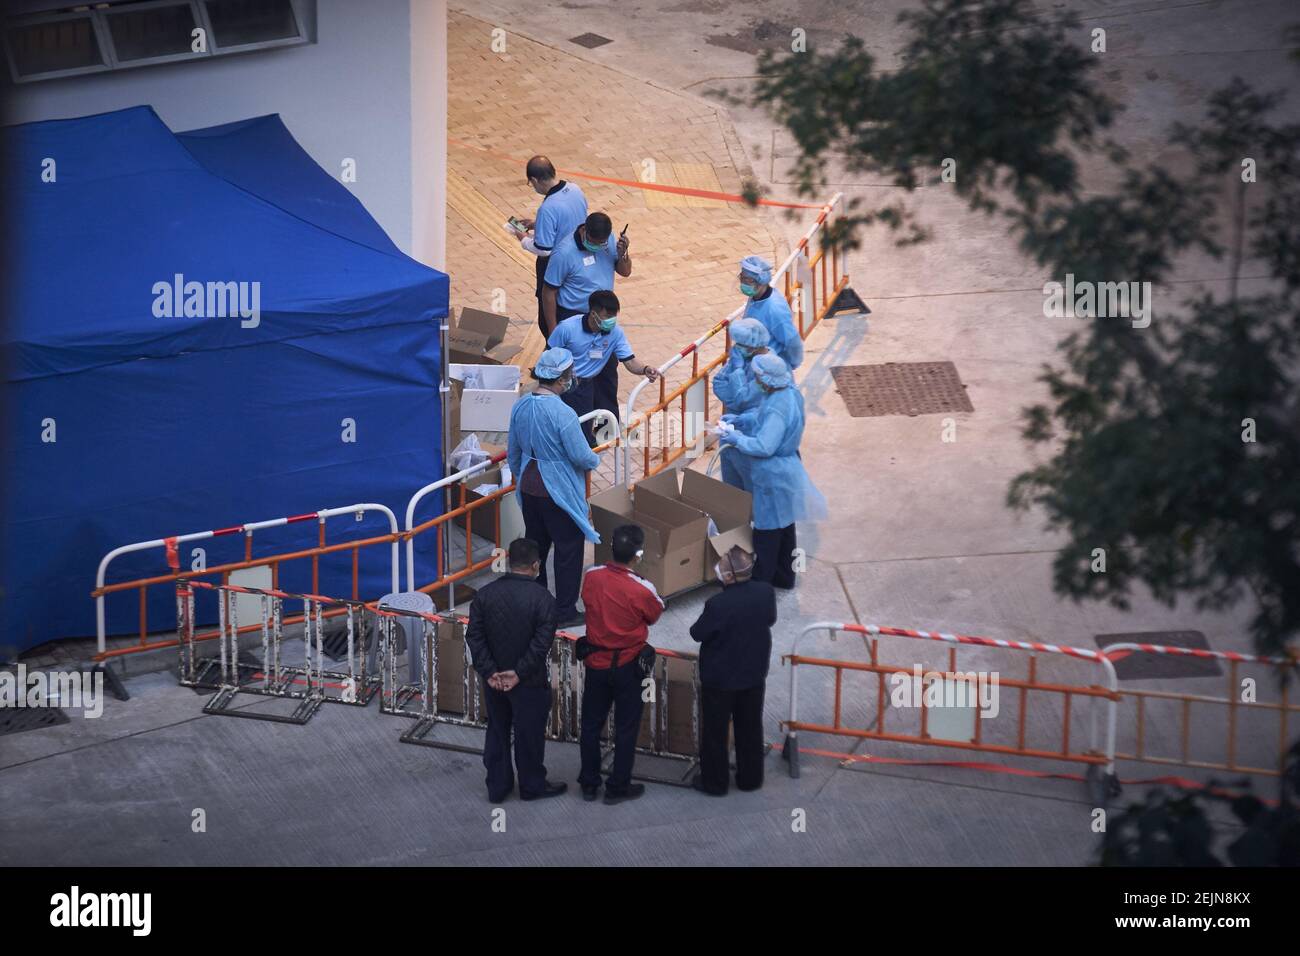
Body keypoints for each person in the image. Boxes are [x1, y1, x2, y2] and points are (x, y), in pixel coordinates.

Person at [464, 537, 566, 803]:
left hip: (494, 682)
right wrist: (518, 673)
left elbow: (474, 637)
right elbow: (540, 646)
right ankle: (532, 785)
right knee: (528, 735)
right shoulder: (544, 600)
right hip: (529, 682)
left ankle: (497, 786)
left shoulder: (485, 595)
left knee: (497, 730)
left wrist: (490, 672)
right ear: (535, 565)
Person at [507, 348, 601, 628]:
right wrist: (595, 457)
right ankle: (564, 611)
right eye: (569, 374)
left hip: (529, 486)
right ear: (562, 378)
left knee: (537, 547)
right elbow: (581, 456)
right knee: (568, 549)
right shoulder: (563, 413)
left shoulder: (522, 404)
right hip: (557, 490)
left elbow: (513, 450)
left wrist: (519, 476)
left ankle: (538, 603)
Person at [717, 353, 826, 588]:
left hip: (772, 474)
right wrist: (742, 419)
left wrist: (737, 439)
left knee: (767, 530)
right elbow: (762, 416)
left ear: (767, 379)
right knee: (785, 524)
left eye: (757, 377)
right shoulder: (788, 393)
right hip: (786, 469)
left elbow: (764, 445)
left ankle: (761, 583)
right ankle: (785, 577)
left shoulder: (777, 406)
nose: (755, 381)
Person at [577, 524, 665, 804]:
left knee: (590, 725)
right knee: (626, 728)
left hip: (596, 663)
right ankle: (617, 787)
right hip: (629, 665)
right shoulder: (643, 588)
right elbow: (654, 614)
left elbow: (587, 601)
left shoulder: (591, 576)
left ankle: (589, 783)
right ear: (637, 555)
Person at [689, 545, 776, 795]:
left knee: (715, 733)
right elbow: (769, 619)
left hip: (721, 679)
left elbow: (697, 633)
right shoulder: (765, 592)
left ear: (729, 576)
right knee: (749, 728)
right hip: (753, 675)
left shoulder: (718, 604)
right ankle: (750, 779)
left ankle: (715, 783)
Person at [548, 289, 659, 445]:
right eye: (608, 316)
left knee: (595, 416)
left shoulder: (615, 333)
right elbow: (549, 356)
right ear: (593, 314)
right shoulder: (567, 329)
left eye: (614, 316)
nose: (611, 321)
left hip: (591, 381)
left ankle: (596, 442)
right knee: (577, 427)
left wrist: (645, 369)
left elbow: (630, 361)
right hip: (569, 383)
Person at [517, 156, 589, 338]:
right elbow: (571, 217)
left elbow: (543, 248)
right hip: (578, 261)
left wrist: (524, 238)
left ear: (534, 180)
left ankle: (556, 354)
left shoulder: (547, 208)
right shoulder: (575, 189)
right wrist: (538, 224)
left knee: (547, 318)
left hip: (554, 265)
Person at [712, 317, 770, 491]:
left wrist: (737, 372)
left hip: (752, 436)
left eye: (741, 343)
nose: (736, 347)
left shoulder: (768, 367)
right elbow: (718, 382)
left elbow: (743, 399)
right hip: (732, 432)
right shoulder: (742, 358)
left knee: (755, 489)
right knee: (733, 490)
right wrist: (736, 397)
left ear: (754, 345)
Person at [738, 255, 803, 370]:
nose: (744, 283)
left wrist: (790, 364)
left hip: (770, 368)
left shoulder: (774, 309)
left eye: (748, 281)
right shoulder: (755, 296)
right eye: (742, 278)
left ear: (761, 281)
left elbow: (792, 341)